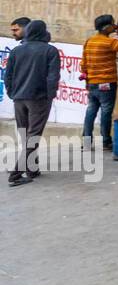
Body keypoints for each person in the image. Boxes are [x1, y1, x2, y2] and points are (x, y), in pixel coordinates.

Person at [5, 19, 61, 186]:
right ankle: (16, 174)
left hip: (19, 98)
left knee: (25, 134)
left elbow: (8, 76)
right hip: (38, 99)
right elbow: (52, 77)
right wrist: (50, 96)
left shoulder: (17, 51)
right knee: (33, 136)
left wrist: (12, 93)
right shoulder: (50, 51)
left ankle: (32, 168)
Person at [79, 14, 118, 150]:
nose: (114, 26)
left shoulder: (89, 41)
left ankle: (86, 141)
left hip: (92, 83)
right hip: (106, 83)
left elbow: (83, 64)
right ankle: (105, 141)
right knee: (106, 112)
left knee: (91, 111)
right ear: (106, 27)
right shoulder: (109, 42)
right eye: (112, 24)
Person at [3, 16, 31, 100]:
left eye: (16, 30)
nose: (13, 33)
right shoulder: (19, 48)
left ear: (26, 29)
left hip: (26, 95)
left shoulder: (24, 49)